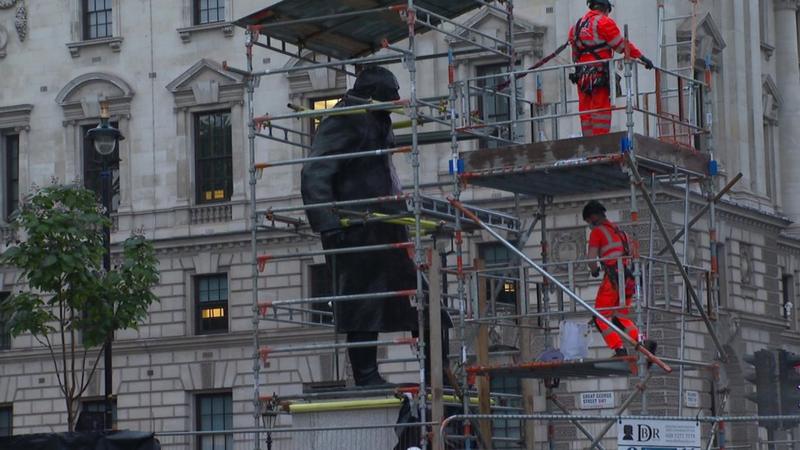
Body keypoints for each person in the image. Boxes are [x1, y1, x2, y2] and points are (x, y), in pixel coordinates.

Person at [301, 66, 449, 386]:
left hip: (386, 224)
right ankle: (367, 375)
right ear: (372, 95)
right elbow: (315, 172)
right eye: (389, 96)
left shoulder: (375, 118)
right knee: (361, 304)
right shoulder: (345, 118)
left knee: (424, 299)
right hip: (355, 229)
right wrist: (328, 224)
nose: (395, 103)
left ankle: (439, 373)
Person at [568, 0, 654, 136]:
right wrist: (642, 58)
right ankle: (600, 142)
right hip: (598, 75)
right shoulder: (604, 23)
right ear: (605, 8)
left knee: (585, 111)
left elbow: (575, 55)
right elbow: (622, 46)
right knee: (600, 109)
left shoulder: (575, 27)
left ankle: (588, 144)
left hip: (582, 77)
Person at [583, 200, 656, 357]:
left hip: (612, 279)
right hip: (628, 280)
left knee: (600, 316)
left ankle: (619, 349)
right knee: (620, 317)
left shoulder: (597, 232)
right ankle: (642, 341)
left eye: (588, 221)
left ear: (593, 216)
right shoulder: (621, 232)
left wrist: (594, 270)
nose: (589, 224)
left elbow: (590, 259)